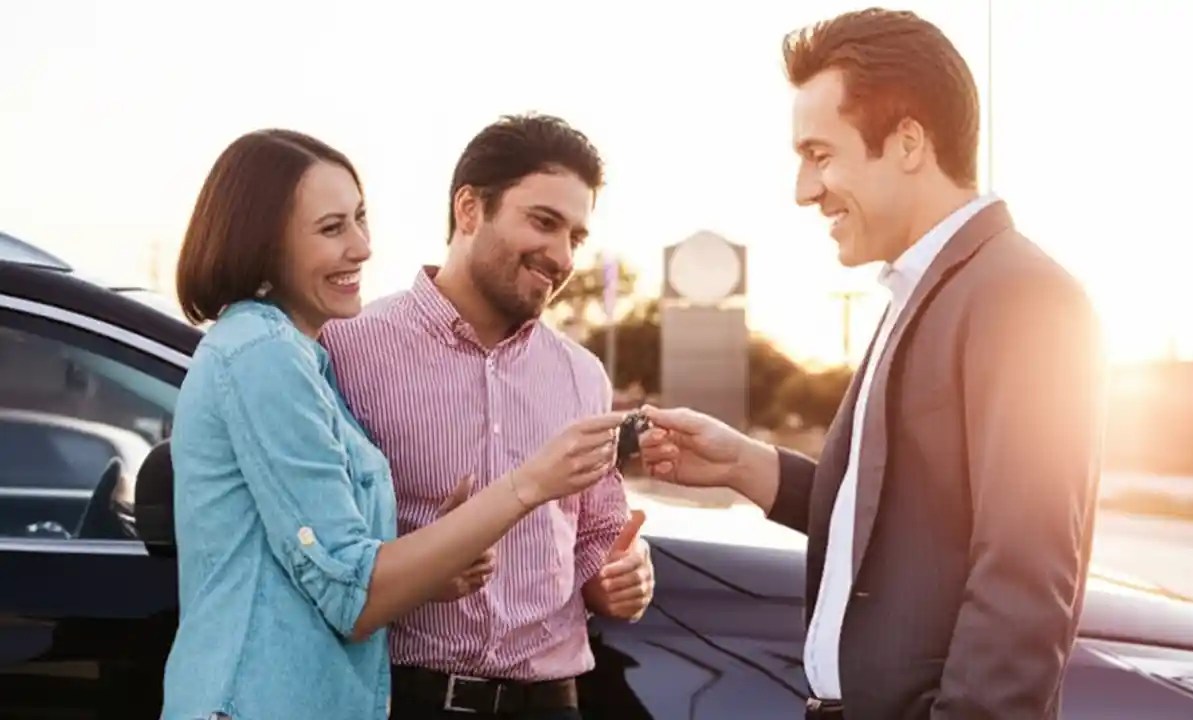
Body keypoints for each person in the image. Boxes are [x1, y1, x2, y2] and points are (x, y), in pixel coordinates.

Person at [638, 9, 1106, 720]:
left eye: (820, 154)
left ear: (909, 142)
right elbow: (901, 518)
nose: (803, 188)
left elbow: (1024, 581)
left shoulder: (1021, 295)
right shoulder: (921, 290)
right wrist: (747, 466)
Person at [164, 128, 626, 720]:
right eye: (332, 228)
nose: (362, 247)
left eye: (360, 220)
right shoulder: (266, 353)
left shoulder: (300, 355)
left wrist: (439, 561)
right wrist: (528, 484)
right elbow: (351, 589)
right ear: (265, 238)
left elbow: (340, 554)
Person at [320, 113, 654, 720]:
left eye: (575, 237)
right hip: (406, 698)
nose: (560, 255)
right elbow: (324, 548)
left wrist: (617, 576)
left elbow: (598, 536)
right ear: (469, 209)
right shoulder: (348, 350)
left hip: (554, 702)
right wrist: (429, 553)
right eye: (544, 222)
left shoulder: (583, 375)